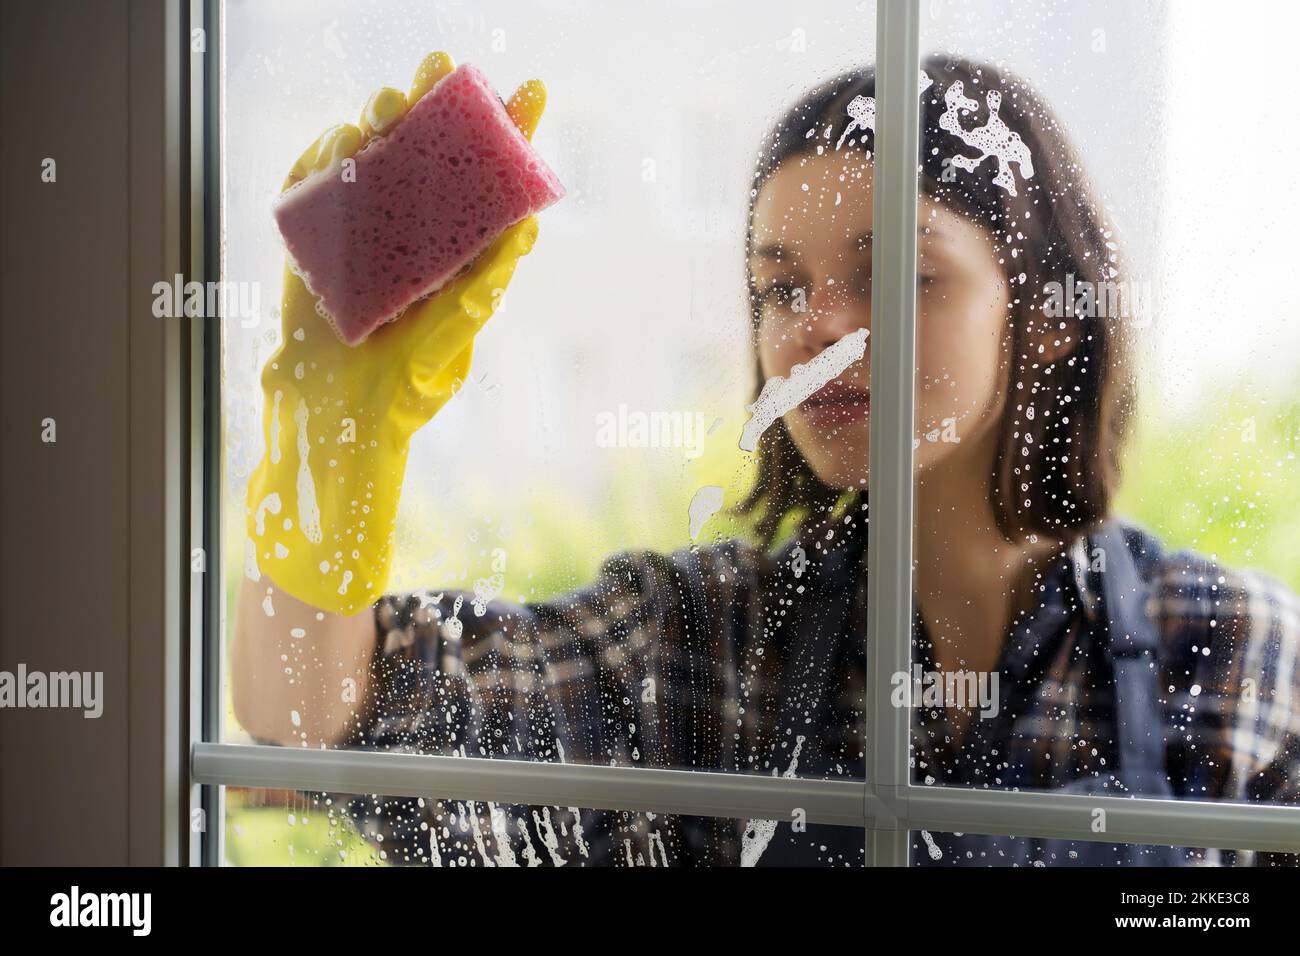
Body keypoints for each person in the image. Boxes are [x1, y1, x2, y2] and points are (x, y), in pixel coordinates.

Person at [232, 51, 1300, 867]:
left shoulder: (1238, 657)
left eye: (893, 272)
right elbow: (305, 713)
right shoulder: (704, 647)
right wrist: (331, 441)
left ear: (1053, 318)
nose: (816, 329)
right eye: (779, 287)